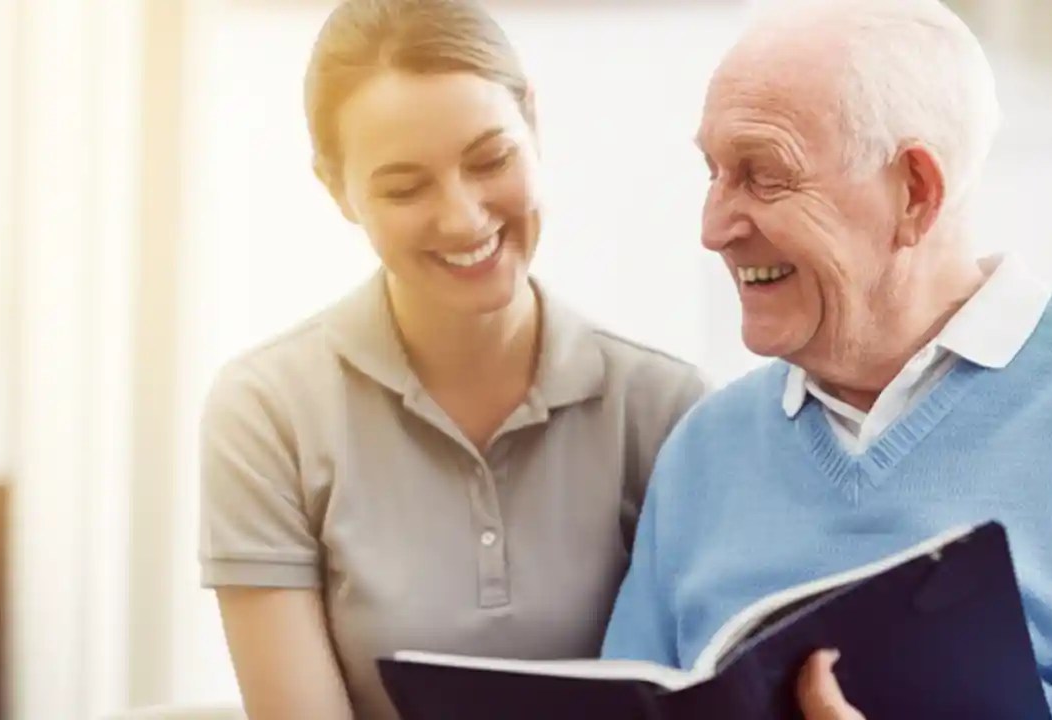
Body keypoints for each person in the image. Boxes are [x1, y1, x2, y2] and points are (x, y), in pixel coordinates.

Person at [601, 0, 1052, 718]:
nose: (714, 228)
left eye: (763, 175)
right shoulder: (706, 447)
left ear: (916, 194)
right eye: (712, 171)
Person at [197, 1, 709, 717]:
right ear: (335, 188)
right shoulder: (267, 412)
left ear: (534, 121)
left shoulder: (666, 410)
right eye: (405, 188)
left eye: (491, 160)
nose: (464, 217)